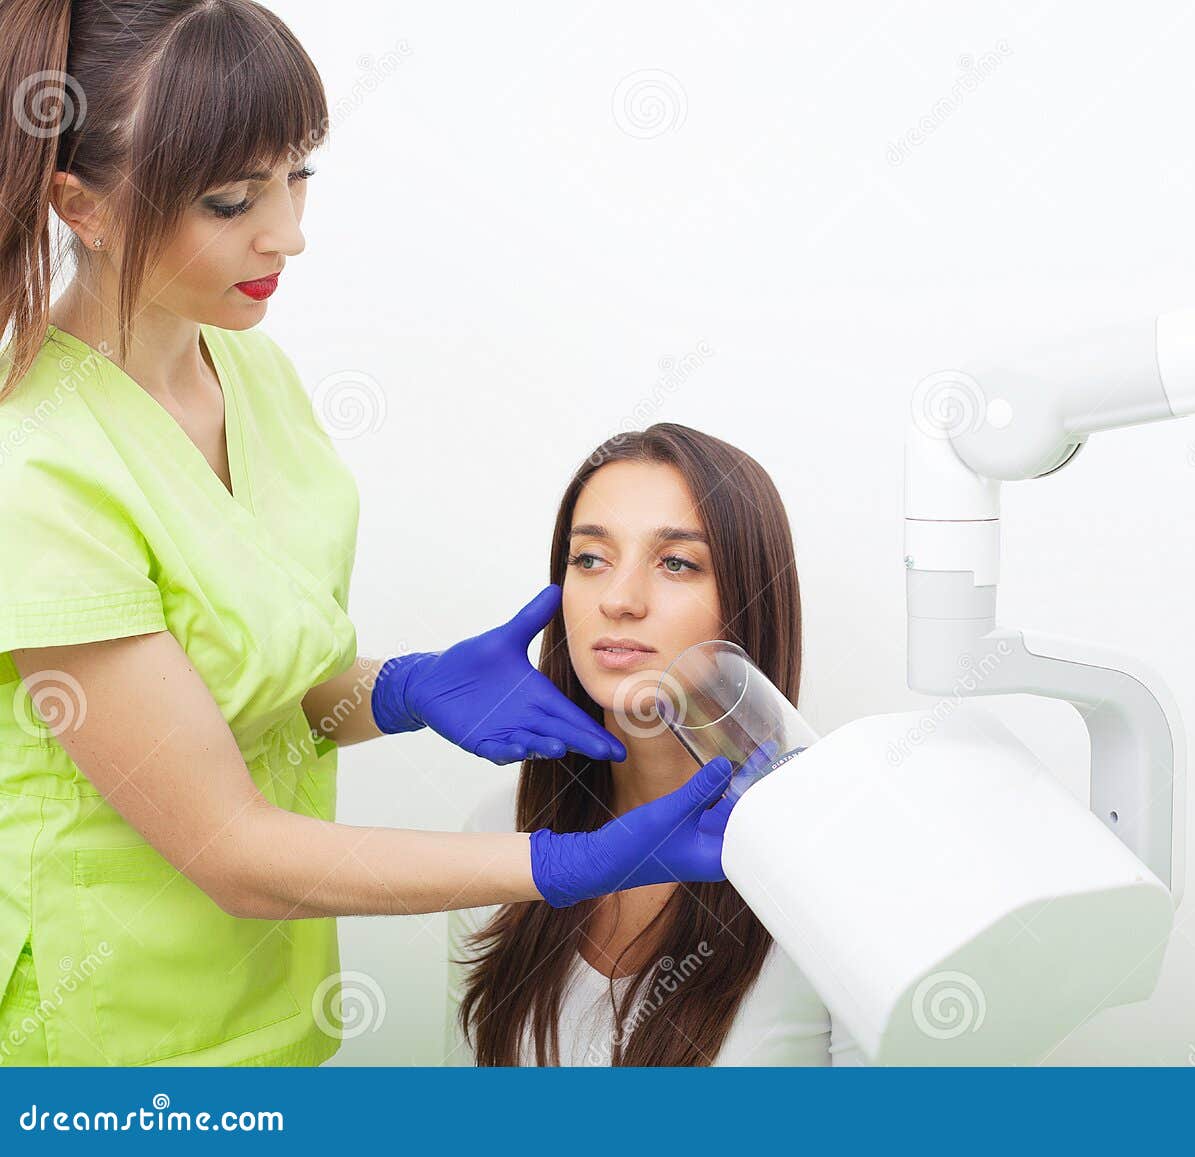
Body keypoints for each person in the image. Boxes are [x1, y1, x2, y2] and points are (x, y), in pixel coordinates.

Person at [0, 0, 734, 1067]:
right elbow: (229, 848)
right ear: (81, 203)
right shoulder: (33, 469)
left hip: (275, 1008)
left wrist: (394, 691)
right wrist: (557, 865)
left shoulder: (245, 363)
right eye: (230, 200)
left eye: (298, 175)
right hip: (107, 1042)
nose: (288, 233)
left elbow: (245, 688)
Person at [446, 423, 863, 1066]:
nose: (618, 599)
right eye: (590, 558)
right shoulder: (498, 830)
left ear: (750, 599)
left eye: (676, 563)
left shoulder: (834, 875)